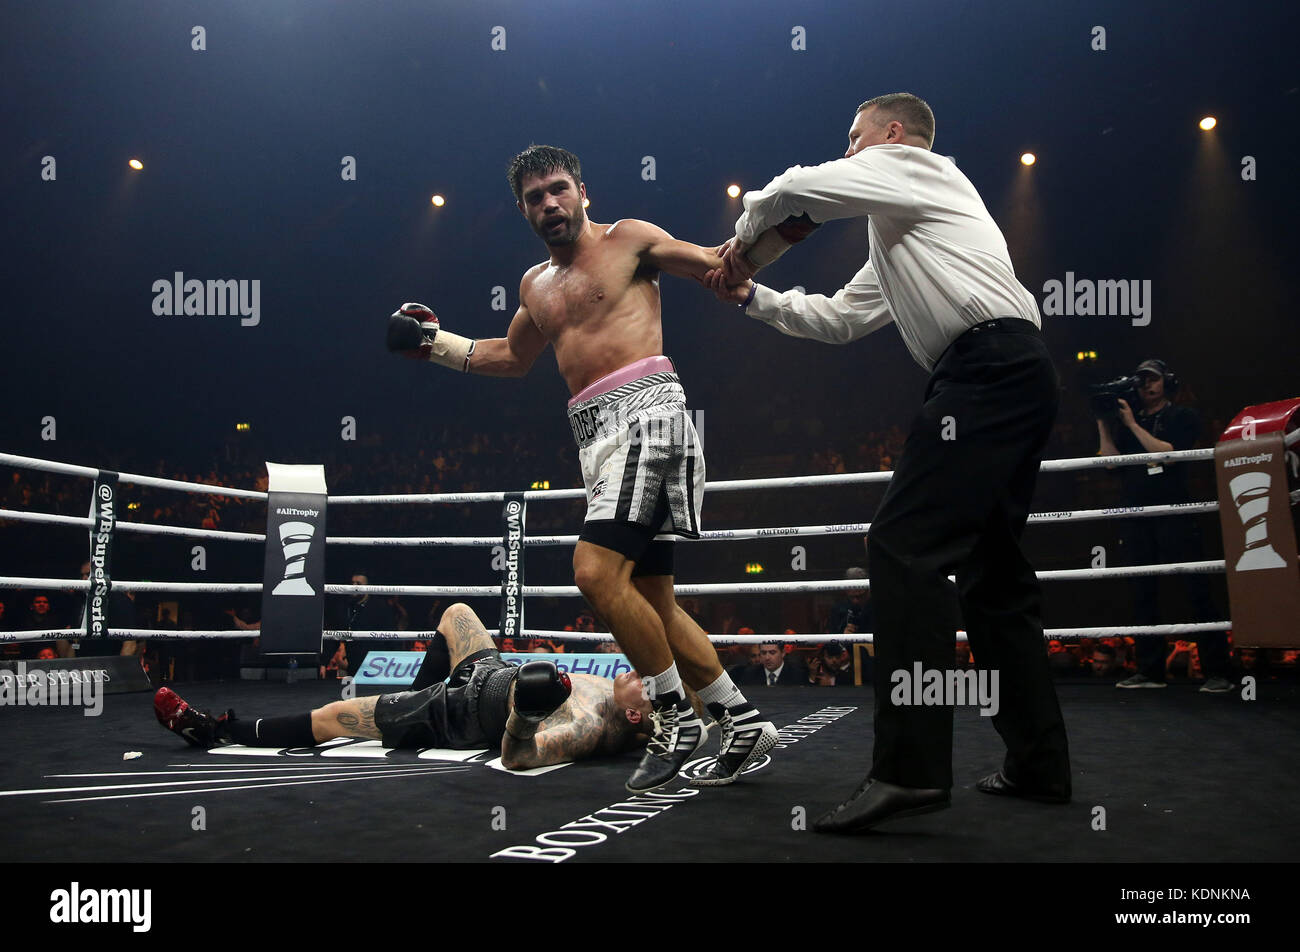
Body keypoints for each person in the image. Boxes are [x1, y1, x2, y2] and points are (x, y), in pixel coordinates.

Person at [705, 93, 1071, 831]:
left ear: (893, 136)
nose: (847, 152)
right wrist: (754, 297)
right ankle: (1039, 764)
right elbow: (839, 320)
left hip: (987, 370)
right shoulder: (899, 227)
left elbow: (795, 191)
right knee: (993, 580)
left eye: (854, 138)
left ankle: (908, 771)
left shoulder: (920, 171)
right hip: (1007, 372)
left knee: (903, 548)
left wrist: (740, 246)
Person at [385, 145, 778, 791]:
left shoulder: (630, 240)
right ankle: (741, 718)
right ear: (524, 210)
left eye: (558, 189)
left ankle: (675, 716)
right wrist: (433, 344)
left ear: (582, 191)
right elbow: (508, 357)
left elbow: (709, 260)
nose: (550, 204)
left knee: (593, 573)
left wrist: (775, 230)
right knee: (652, 600)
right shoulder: (535, 287)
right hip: (595, 442)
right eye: (536, 198)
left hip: (652, 420)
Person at [157, 603, 665, 770]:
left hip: (462, 713)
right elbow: (684, 716)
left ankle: (219, 730)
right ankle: (422, 692)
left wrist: (525, 715)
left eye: (646, 689)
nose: (639, 677)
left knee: (333, 717)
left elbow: (519, 757)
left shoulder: (589, 725)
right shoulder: (618, 696)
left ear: (637, 716)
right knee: (457, 613)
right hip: (484, 672)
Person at [1095, 359, 1231, 693]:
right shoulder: (1127, 423)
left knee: (1196, 591)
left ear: (1166, 382)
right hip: (1138, 515)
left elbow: (1169, 455)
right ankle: (1150, 671)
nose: (1146, 386)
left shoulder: (1183, 416)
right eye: (1140, 381)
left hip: (1176, 513)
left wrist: (1131, 424)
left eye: (1152, 380)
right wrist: (1103, 421)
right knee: (1143, 593)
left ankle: (1218, 672)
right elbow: (1110, 463)